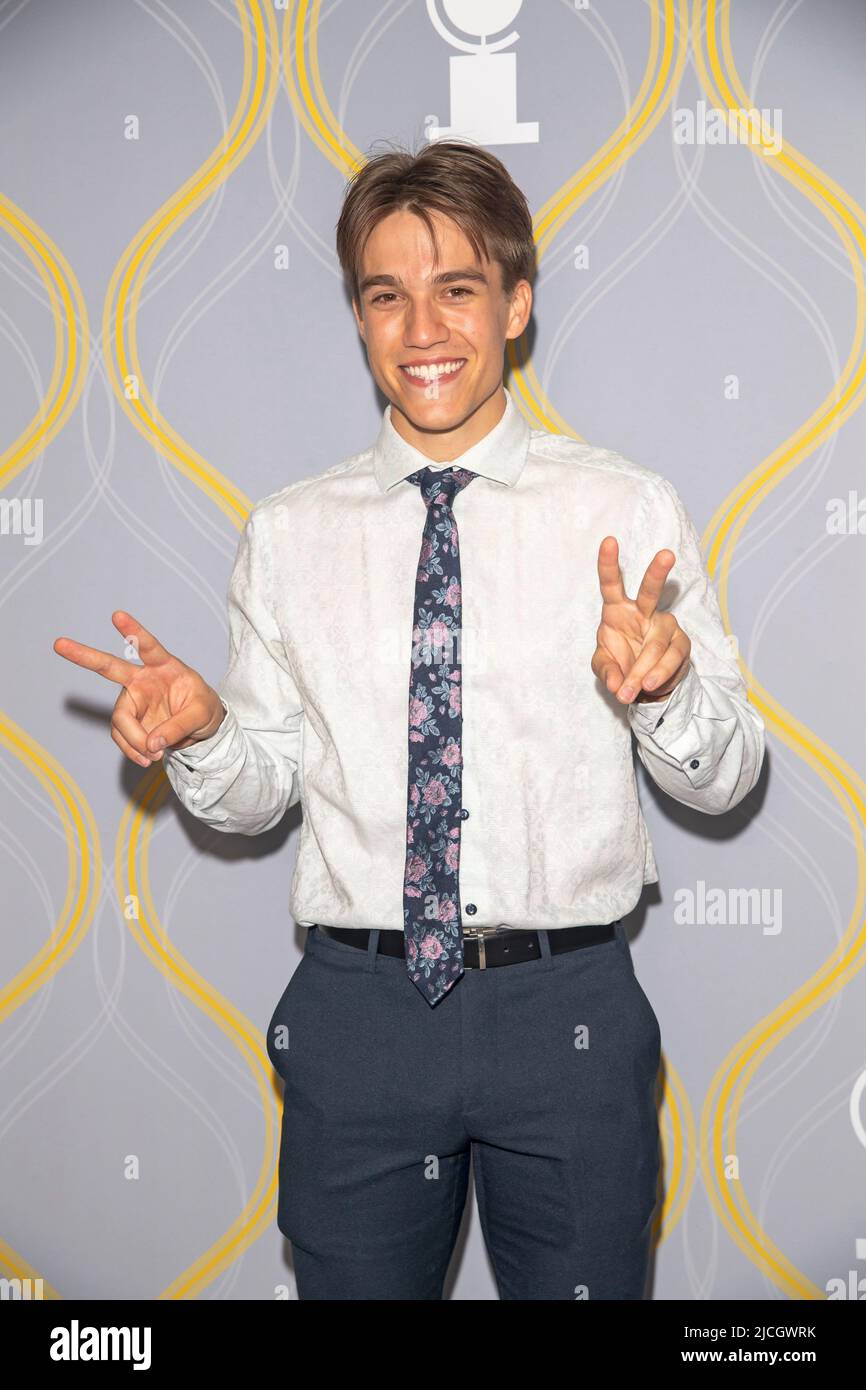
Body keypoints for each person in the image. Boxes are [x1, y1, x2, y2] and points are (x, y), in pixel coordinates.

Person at [53, 138, 765, 1301]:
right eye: (386, 295)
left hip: (566, 1012)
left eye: (457, 289)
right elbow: (260, 790)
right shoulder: (289, 534)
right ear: (359, 317)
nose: (421, 328)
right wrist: (200, 736)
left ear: (516, 304)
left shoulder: (624, 507)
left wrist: (669, 690)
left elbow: (724, 779)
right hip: (358, 1015)